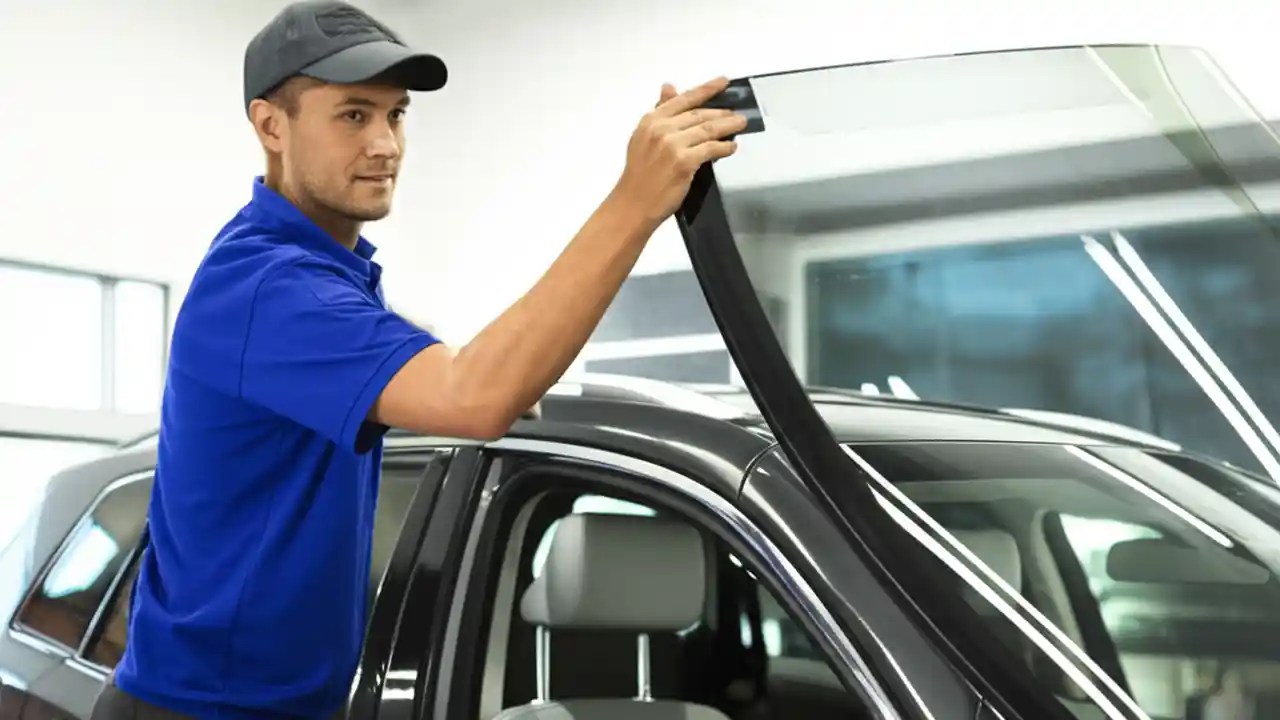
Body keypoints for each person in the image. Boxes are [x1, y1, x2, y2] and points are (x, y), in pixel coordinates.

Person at [89, 1, 746, 718]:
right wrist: (636, 200)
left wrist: (485, 374)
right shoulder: (268, 286)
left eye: (396, 115)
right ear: (271, 126)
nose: (385, 144)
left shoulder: (320, 276)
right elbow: (475, 399)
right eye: (353, 115)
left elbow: (460, 380)